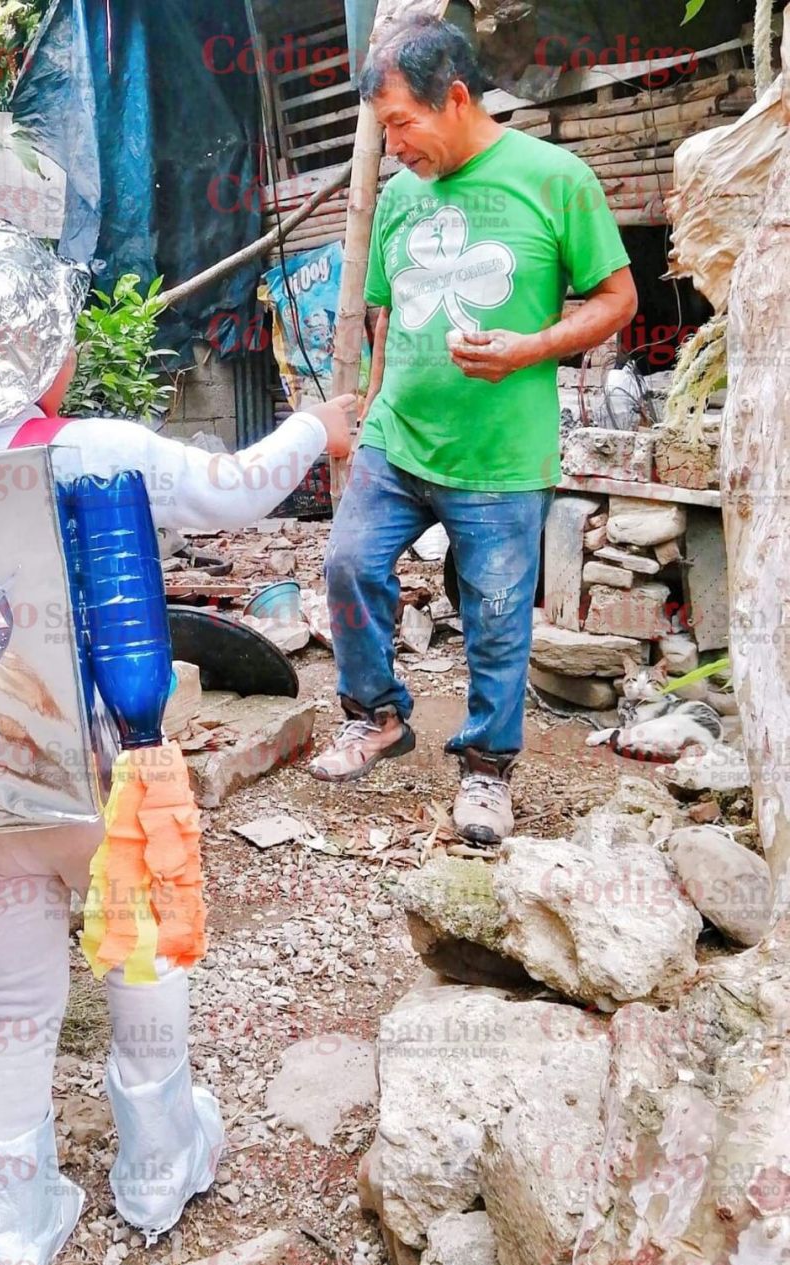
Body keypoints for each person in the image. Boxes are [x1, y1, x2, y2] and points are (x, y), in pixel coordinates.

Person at [0, 214, 356, 1265]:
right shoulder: (97, 450)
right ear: (42, 349)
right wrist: (315, 425)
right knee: (141, 955)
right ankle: (160, 1165)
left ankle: (9, 1233)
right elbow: (236, 487)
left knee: (13, 999)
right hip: (108, 778)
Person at [308, 17, 637, 846]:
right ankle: (376, 715)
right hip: (398, 435)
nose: (393, 148)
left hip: (501, 455)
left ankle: (487, 767)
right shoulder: (399, 195)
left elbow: (618, 300)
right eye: (384, 131)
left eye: (401, 125)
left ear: (455, 97)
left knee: (494, 614)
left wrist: (530, 347)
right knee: (348, 565)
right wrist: (371, 403)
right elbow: (384, 310)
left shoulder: (556, 178)